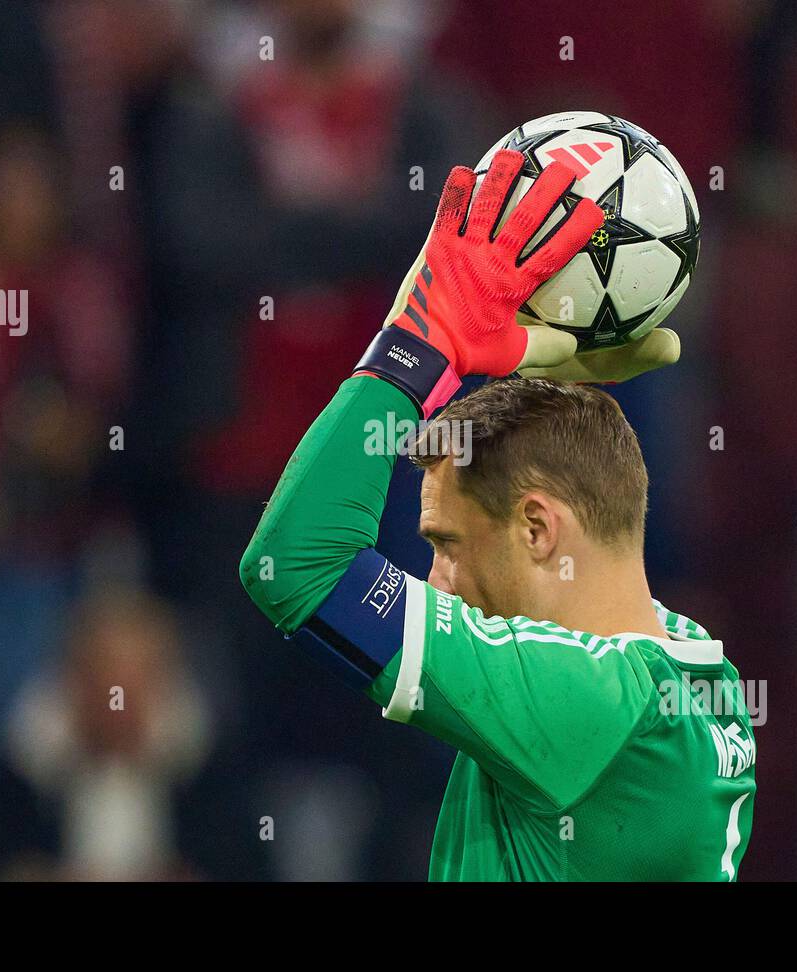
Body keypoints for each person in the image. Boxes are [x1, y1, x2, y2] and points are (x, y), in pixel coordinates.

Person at [240, 150, 755, 880]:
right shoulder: (702, 672)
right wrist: (525, 363)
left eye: (447, 544)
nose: (435, 581)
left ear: (539, 529)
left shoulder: (587, 701)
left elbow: (296, 564)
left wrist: (413, 342)